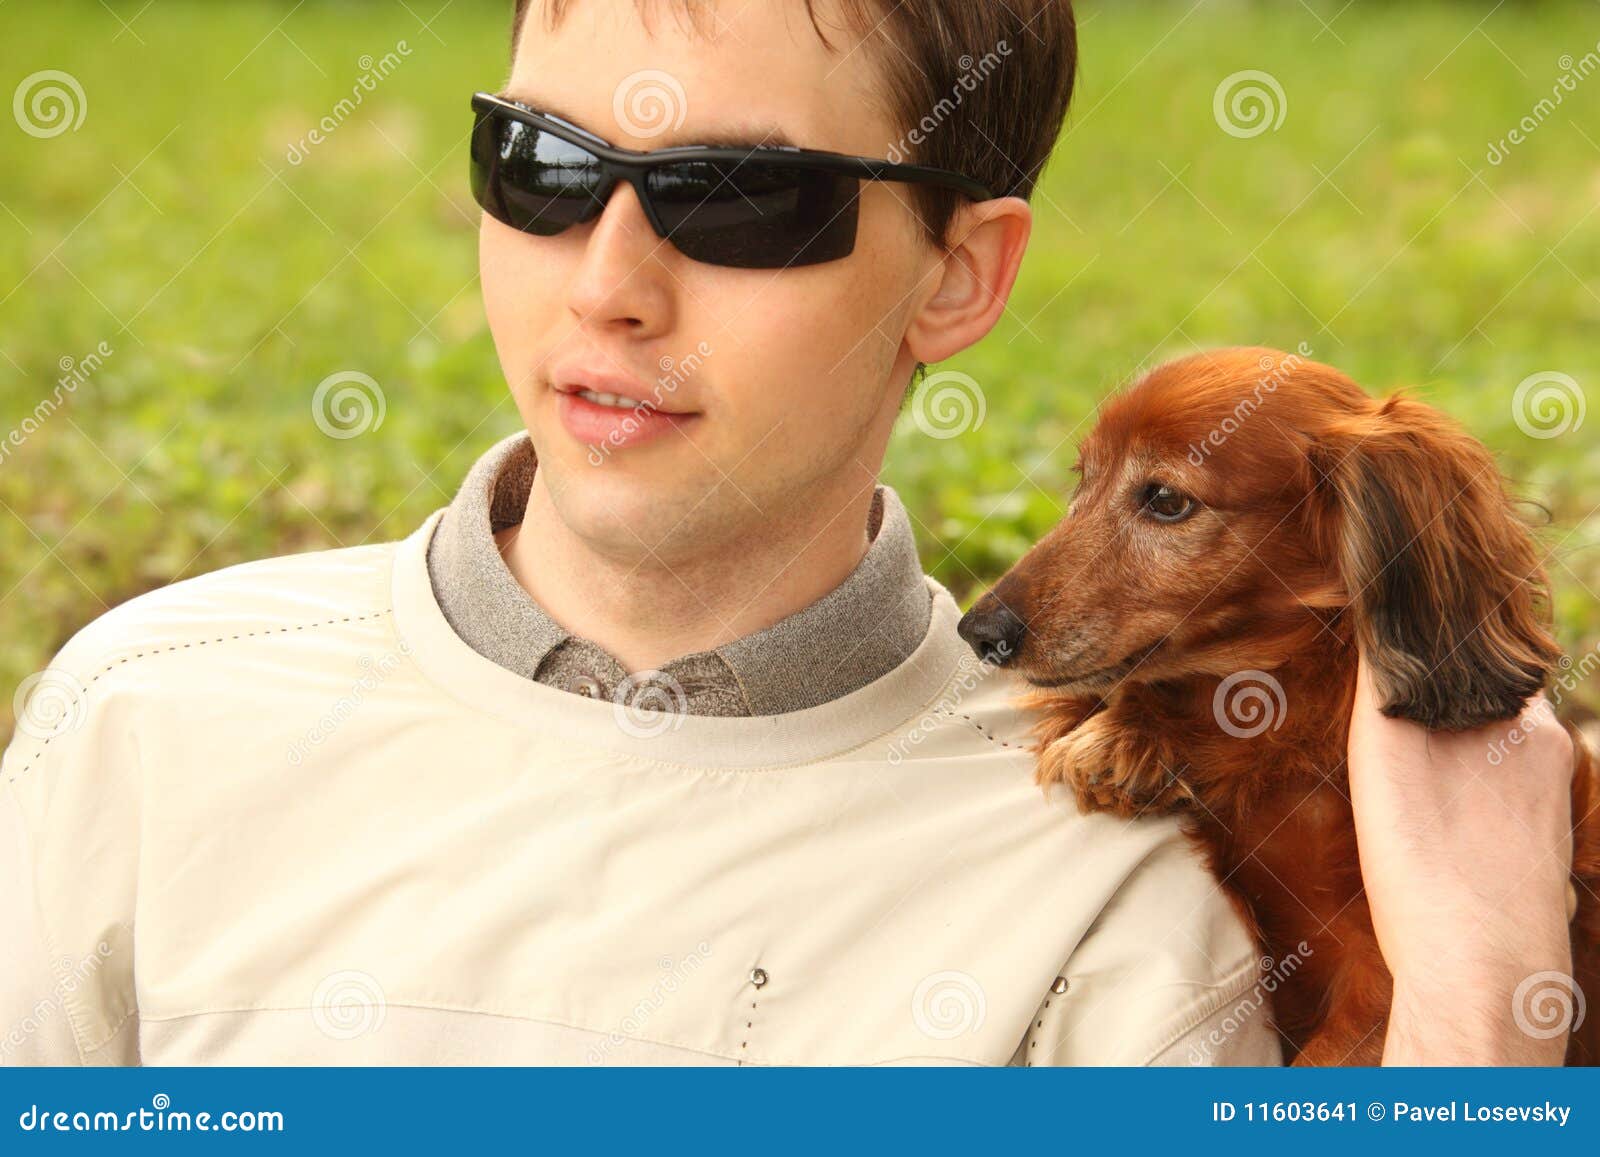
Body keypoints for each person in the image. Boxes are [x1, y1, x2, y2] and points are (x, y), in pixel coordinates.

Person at [0, 0, 1575, 1067]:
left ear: (958, 273)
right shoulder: (143, 715)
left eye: (743, 197)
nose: (605, 281)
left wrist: (1481, 1019)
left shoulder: (1108, 881)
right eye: (540, 165)